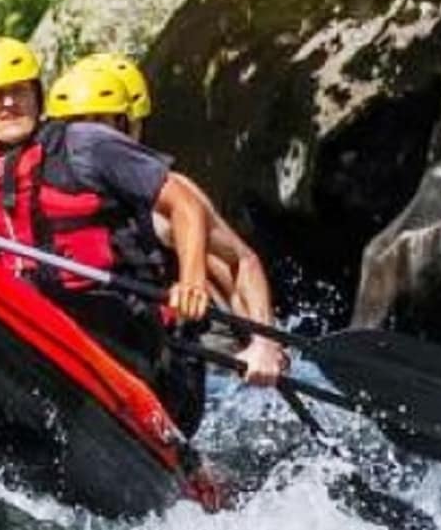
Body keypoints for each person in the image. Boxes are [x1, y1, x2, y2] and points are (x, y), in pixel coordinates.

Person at [0, 36, 213, 433]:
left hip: (136, 343)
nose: (8, 104)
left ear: (37, 94)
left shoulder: (86, 145)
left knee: (90, 317)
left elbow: (186, 204)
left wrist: (193, 280)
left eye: (18, 91)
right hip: (45, 353)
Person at [46, 53, 287, 386]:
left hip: (198, 349)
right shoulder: (53, 194)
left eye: (101, 122)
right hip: (112, 337)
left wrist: (264, 344)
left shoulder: (169, 198)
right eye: (77, 124)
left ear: (130, 124)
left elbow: (240, 262)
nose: (90, 136)